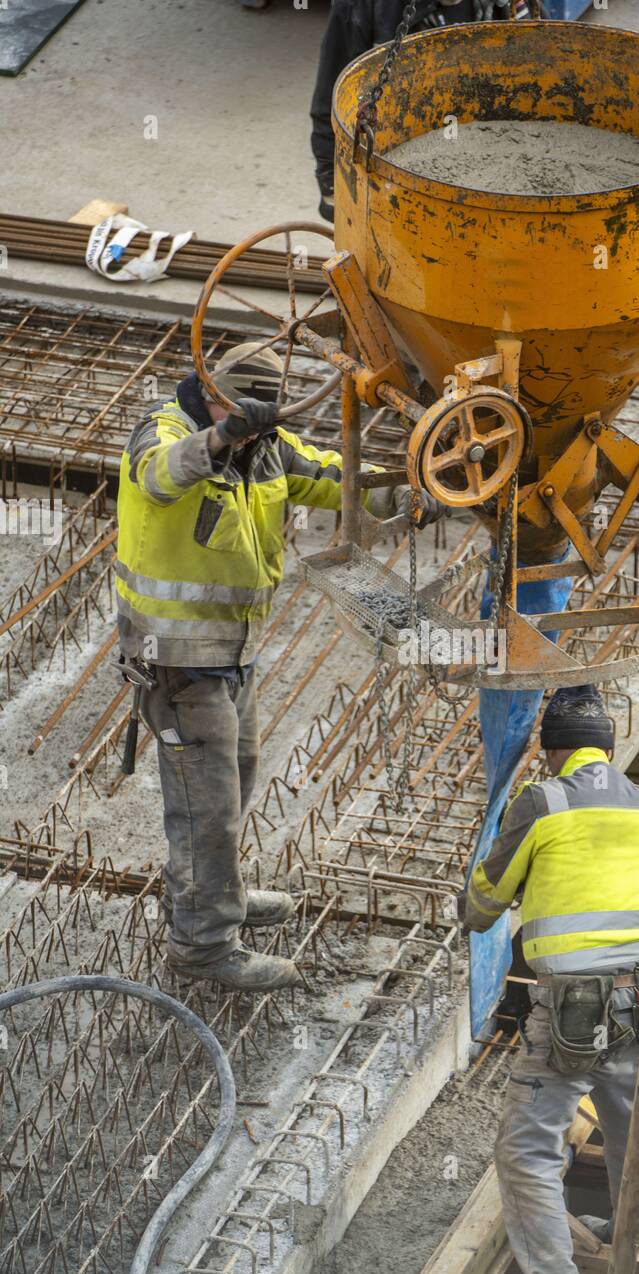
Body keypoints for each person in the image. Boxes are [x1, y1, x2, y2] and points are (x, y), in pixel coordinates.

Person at [116, 342, 441, 991]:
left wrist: (417, 489)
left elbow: (338, 475)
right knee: (204, 805)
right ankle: (203, 945)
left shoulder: (267, 448)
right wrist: (218, 439)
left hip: (235, 653)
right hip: (176, 661)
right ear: (211, 394)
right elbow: (161, 474)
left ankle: (216, 896)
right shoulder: (165, 432)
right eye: (236, 412)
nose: (254, 428)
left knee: (232, 785)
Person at [460, 684, 639, 1274]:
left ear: (552, 751)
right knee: (636, 1118)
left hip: (572, 1009)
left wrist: (479, 899)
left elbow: (484, 904)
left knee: (527, 1151)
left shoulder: (543, 801)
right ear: (607, 749)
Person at [310, 0, 528, 221]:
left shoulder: (503, 5)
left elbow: (539, 51)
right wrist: (332, 184)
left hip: (486, 170)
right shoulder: (361, 7)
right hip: (395, 178)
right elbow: (331, 100)